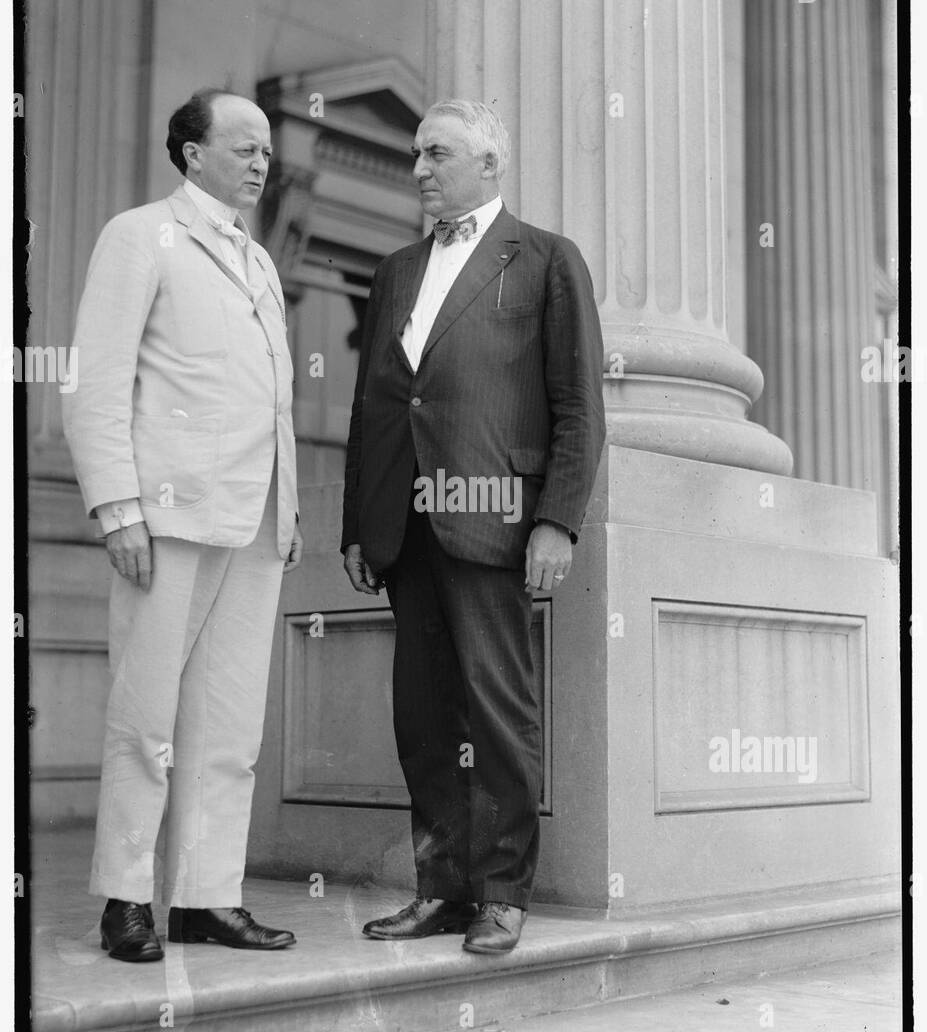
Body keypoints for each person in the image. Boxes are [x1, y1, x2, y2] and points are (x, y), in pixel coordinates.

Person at [342, 99, 605, 954]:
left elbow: (577, 408)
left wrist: (555, 524)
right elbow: (378, 406)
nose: (418, 168)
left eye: (436, 154)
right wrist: (359, 522)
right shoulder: (393, 272)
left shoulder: (545, 261)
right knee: (422, 717)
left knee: (497, 715)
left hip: (493, 522)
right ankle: (441, 887)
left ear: (489, 163)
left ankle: (499, 892)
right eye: (415, 154)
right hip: (406, 528)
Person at [62, 89, 302, 962]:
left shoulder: (260, 262)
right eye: (242, 145)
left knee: (230, 726)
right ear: (191, 152)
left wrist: (291, 505)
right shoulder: (140, 234)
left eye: (267, 149)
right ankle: (125, 895)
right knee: (145, 714)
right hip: (164, 516)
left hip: (253, 519)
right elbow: (97, 380)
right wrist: (116, 505)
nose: (259, 161)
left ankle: (206, 897)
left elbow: (268, 400)